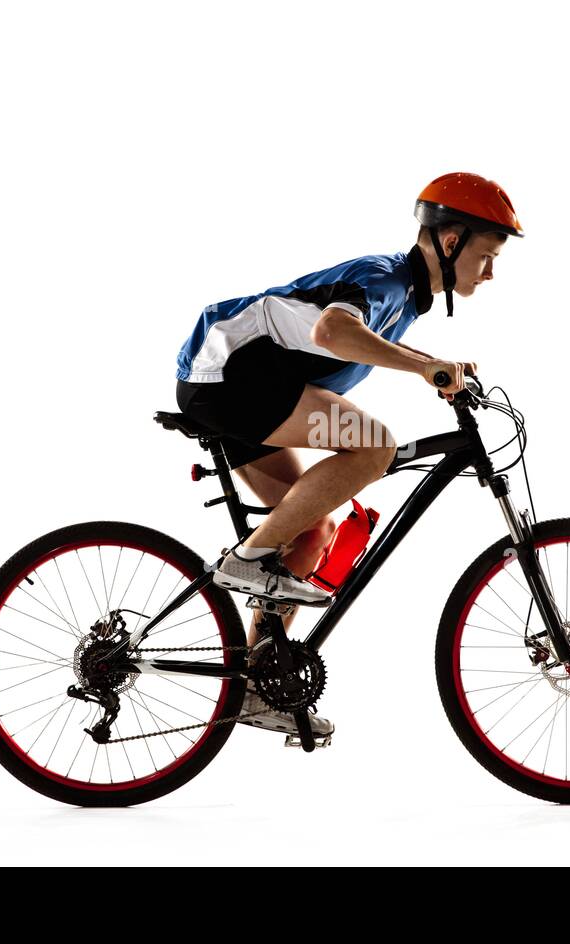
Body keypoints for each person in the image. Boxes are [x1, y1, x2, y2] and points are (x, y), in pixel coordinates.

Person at [173, 172, 524, 735]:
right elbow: (334, 332)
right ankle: (247, 559)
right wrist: (422, 368)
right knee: (374, 447)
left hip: (244, 386)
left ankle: (255, 686)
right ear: (451, 241)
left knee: (312, 530)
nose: (491, 271)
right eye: (487, 255)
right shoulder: (386, 279)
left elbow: (371, 338)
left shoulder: (408, 298)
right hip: (229, 377)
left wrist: (437, 364)